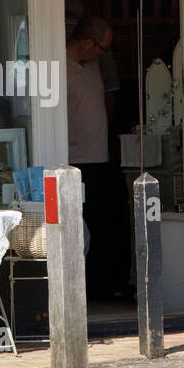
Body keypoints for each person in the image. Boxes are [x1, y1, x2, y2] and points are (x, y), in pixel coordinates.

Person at [66, 16, 129, 300]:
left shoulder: (92, 66)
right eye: (103, 47)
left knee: (104, 224)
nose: (105, 53)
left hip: (99, 158)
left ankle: (103, 286)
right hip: (74, 160)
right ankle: (86, 291)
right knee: (81, 230)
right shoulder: (58, 67)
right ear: (88, 43)